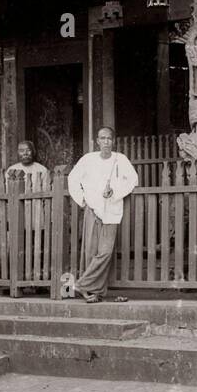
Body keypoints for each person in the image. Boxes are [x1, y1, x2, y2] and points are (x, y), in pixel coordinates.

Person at [67, 127, 138, 303]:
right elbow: (73, 179)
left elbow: (133, 179)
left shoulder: (120, 159)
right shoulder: (88, 160)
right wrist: (82, 200)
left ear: (113, 141)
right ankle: (93, 293)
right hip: (92, 210)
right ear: (97, 141)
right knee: (91, 252)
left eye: (109, 138)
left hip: (112, 211)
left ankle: (80, 284)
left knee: (105, 252)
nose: (106, 141)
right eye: (102, 138)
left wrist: (115, 191)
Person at [6, 140, 50, 280]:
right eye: (21, 150)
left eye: (28, 150)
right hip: (19, 215)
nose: (25, 153)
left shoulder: (42, 170)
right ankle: (15, 280)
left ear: (33, 151)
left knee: (38, 248)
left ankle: (38, 282)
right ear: (18, 153)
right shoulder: (11, 170)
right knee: (17, 249)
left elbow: (46, 194)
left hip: (37, 215)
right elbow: (8, 195)